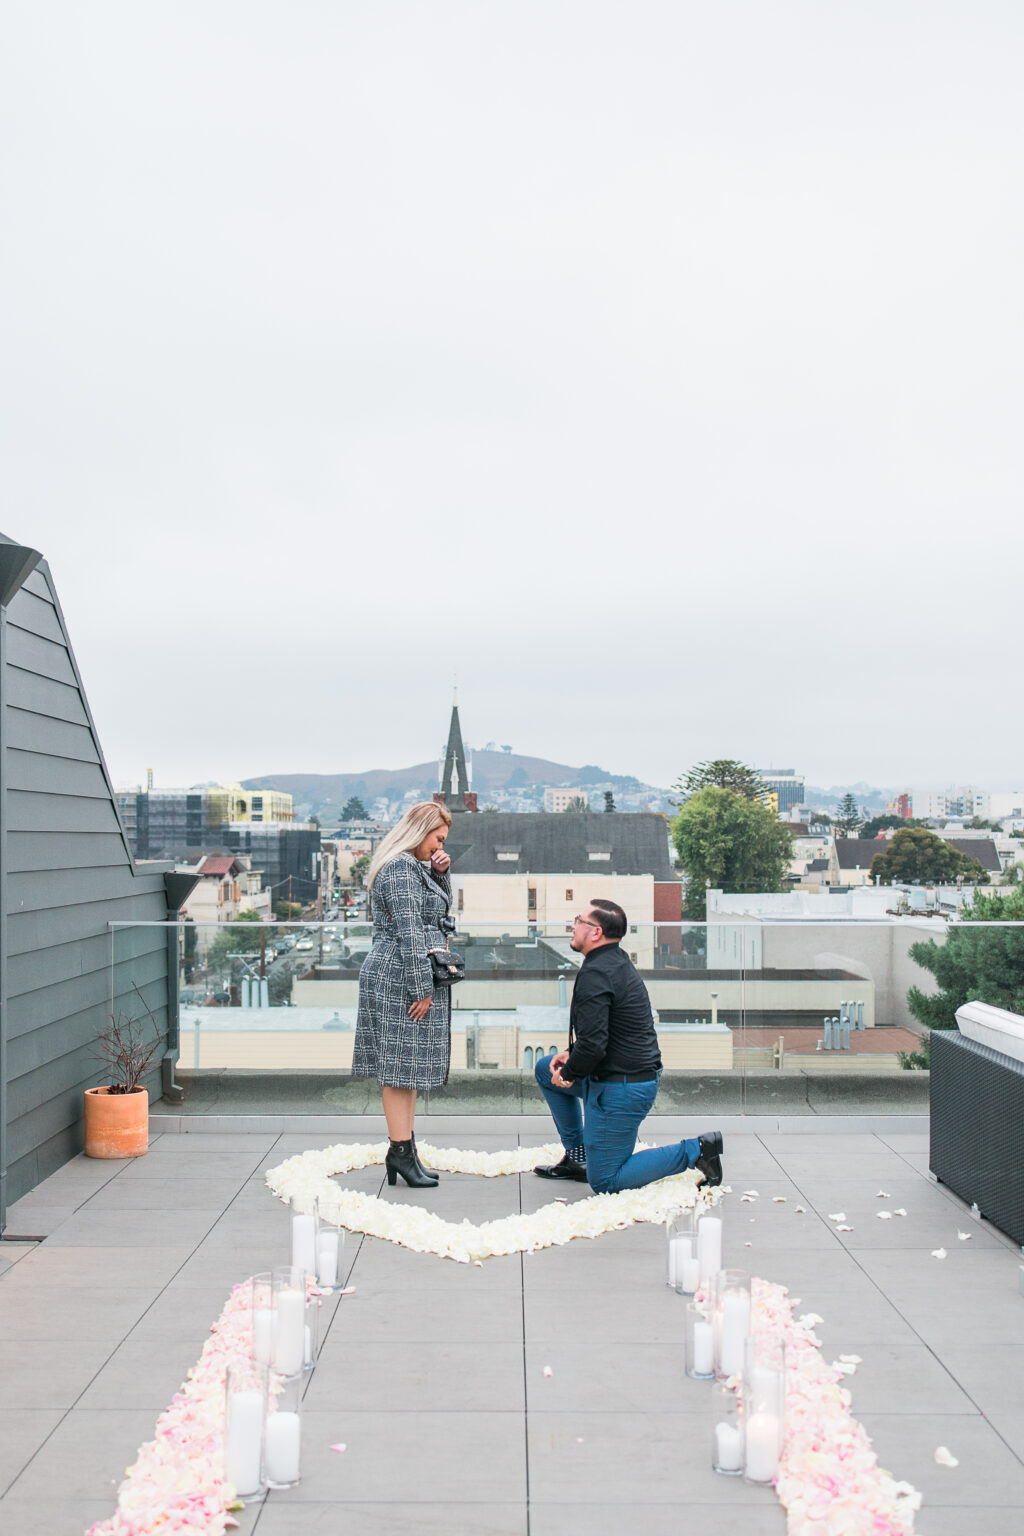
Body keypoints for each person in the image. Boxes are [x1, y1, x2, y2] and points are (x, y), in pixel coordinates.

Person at [533, 899, 724, 1192]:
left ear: (595, 932)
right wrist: (571, 1055)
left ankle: (697, 1151)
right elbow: (608, 1032)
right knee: (546, 1069)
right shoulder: (614, 960)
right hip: (623, 1076)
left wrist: (570, 1071)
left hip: (622, 1089)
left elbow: (595, 1047)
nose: (572, 926)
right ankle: (578, 1156)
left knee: (606, 1181)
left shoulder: (597, 973)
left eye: (578, 920)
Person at [352, 801, 455, 1188]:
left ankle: (405, 1152)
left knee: (406, 1069)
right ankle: (399, 1152)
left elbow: (436, 916)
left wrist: (441, 874)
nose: (439, 846)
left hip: (403, 972)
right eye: (437, 838)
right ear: (420, 830)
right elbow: (411, 932)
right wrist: (422, 988)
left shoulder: (415, 868)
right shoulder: (399, 869)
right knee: (397, 1071)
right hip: (398, 975)